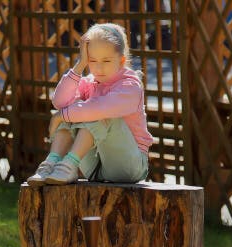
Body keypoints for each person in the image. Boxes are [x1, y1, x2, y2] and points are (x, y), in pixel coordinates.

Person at [27, 23, 153, 185]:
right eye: (92, 60)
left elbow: (99, 108)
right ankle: (52, 163)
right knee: (75, 106)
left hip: (129, 166)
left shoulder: (130, 86)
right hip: (95, 168)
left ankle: (70, 164)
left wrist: (61, 116)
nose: (99, 68)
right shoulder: (89, 82)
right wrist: (80, 65)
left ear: (121, 61)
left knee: (97, 112)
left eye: (106, 61)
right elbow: (60, 102)